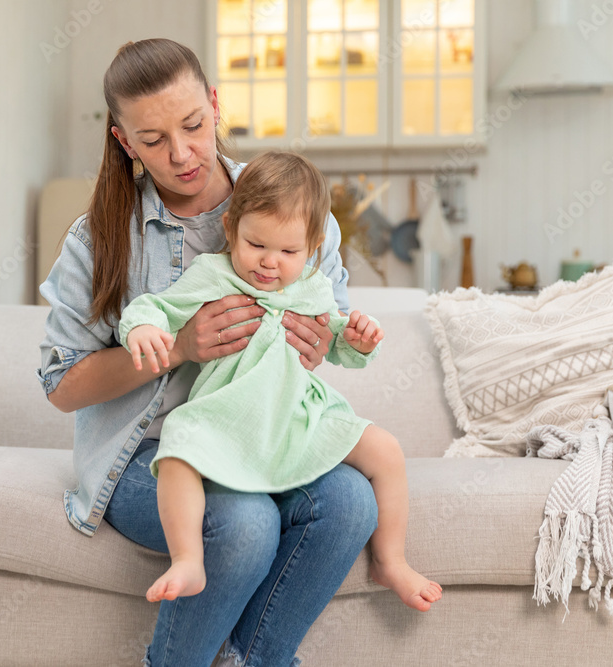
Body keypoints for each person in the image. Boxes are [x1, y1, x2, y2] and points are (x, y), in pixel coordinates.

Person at [38, 38, 383, 667]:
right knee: (245, 525)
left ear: (216, 106)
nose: (181, 154)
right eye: (153, 139)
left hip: (262, 436)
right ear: (124, 142)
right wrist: (177, 347)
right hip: (152, 457)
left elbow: (322, 335)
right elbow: (61, 386)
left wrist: (317, 343)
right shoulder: (98, 238)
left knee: (351, 503)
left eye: (194, 125)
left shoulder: (293, 208)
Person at [120, 151, 442, 614]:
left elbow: (336, 345)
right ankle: (188, 558)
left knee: (386, 450)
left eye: (289, 252)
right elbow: (154, 308)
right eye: (256, 244)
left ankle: (391, 560)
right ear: (231, 228)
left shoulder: (311, 287)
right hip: (228, 415)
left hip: (297, 416)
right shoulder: (214, 275)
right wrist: (146, 329)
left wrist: (358, 339)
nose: (270, 263)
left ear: (312, 248)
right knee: (177, 451)